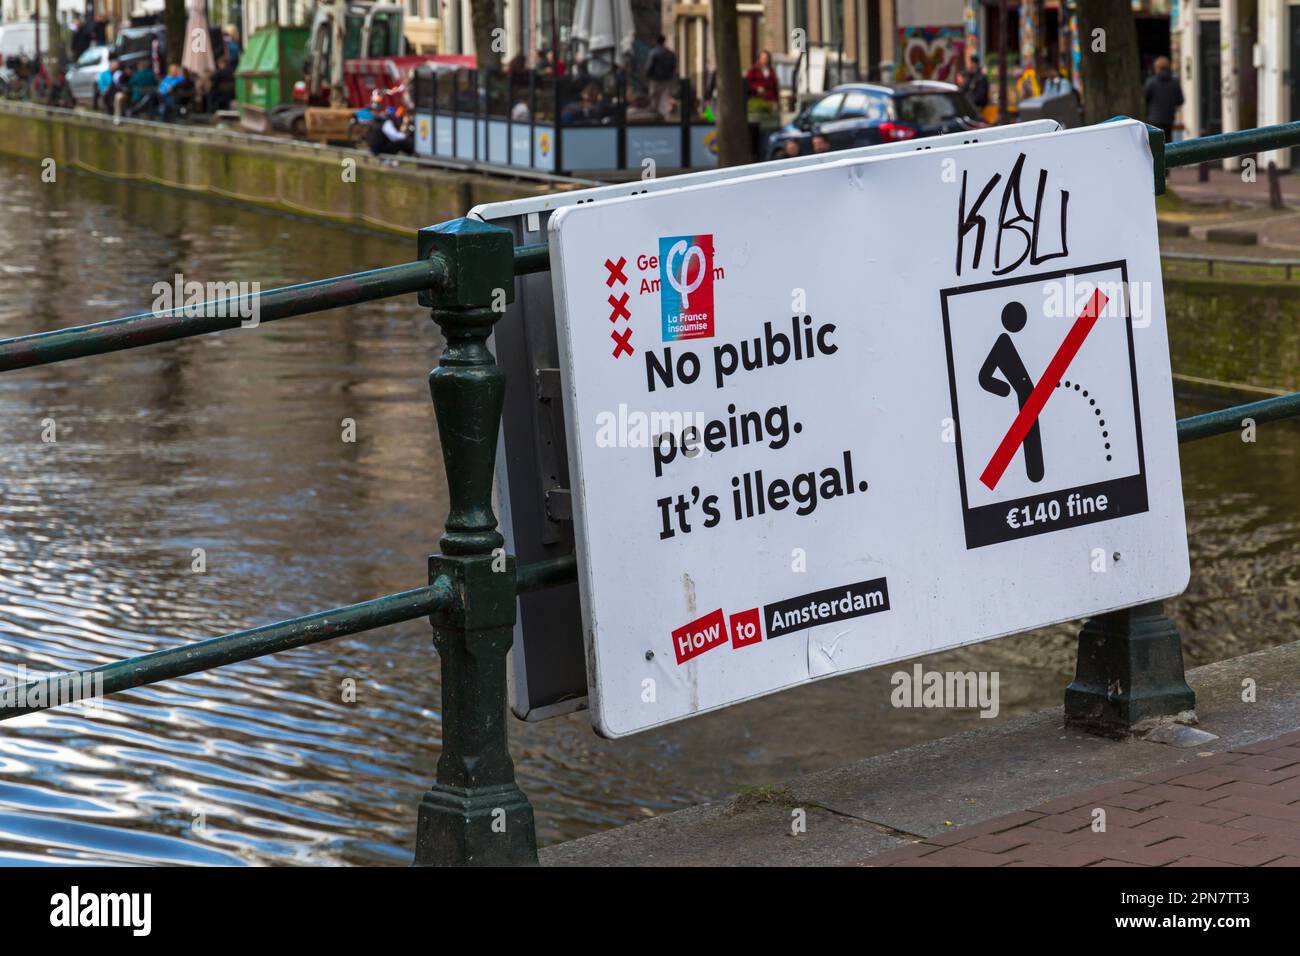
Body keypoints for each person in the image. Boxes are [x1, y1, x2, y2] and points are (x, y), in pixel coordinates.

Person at [1144, 56, 1184, 143]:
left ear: (1156, 68)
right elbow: (1180, 100)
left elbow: (1145, 99)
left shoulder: (1151, 82)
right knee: (1167, 142)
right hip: (1169, 118)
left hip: (1154, 119)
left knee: (1154, 143)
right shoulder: (1175, 82)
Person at [645, 34, 677, 120]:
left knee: (654, 97)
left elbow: (649, 67)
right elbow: (673, 66)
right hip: (667, 80)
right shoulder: (671, 53)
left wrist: (647, 77)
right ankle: (665, 116)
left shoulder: (653, 52)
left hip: (656, 79)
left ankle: (656, 116)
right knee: (665, 98)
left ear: (656, 41)